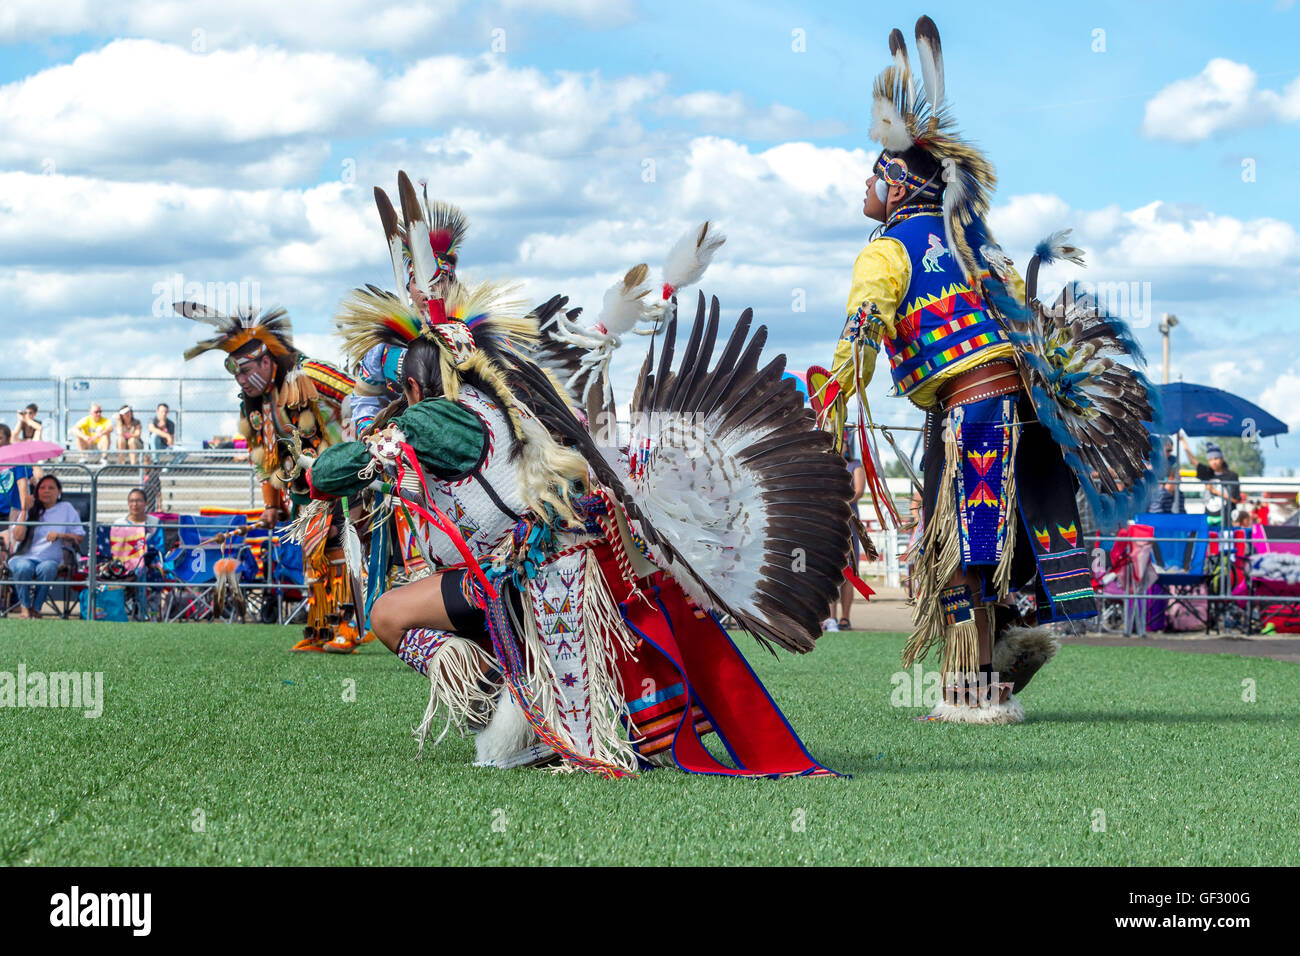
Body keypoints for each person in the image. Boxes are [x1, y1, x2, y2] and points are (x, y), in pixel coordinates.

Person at [296, 170, 851, 776]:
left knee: (389, 614)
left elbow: (332, 470)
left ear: (413, 385)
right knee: (436, 604)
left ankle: (517, 707)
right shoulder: (494, 394)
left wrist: (351, 443)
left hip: (531, 576)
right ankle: (524, 703)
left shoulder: (438, 422)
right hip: (534, 569)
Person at [816, 17, 1160, 723]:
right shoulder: (974, 242)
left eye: (874, 173)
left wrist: (818, 403)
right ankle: (1008, 651)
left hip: (973, 413)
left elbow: (857, 345)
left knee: (964, 546)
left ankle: (970, 692)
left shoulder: (885, 253)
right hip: (1023, 410)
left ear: (900, 184)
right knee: (1000, 537)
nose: (864, 185)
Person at [175, 298, 358, 651]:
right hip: (304, 487)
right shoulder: (254, 403)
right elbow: (262, 458)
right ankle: (320, 628)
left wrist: (354, 442)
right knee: (312, 552)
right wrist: (271, 503)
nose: (242, 380)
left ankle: (347, 625)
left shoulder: (308, 373)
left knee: (333, 542)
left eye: (246, 371)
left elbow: (358, 397)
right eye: (236, 375)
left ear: (266, 359)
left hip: (343, 475)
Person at [8, 474, 84, 618]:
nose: (46, 491)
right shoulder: (30, 508)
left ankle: (36, 608)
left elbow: (79, 537)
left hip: (50, 559)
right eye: (42, 488)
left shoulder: (66, 508)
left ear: (59, 492)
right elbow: (17, 536)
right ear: (37, 491)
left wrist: (61, 535)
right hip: (23, 556)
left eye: (51, 488)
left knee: (47, 568)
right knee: (23, 567)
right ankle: (24, 607)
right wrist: (24, 510)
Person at [112, 487, 160, 620]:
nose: (135, 504)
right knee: (137, 569)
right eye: (132, 501)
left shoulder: (155, 523)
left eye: (139, 501)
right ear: (128, 504)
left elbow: (159, 546)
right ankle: (136, 612)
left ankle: (147, 613)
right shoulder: (119, 523)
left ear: (146, 503)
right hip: (124, 564)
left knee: (143, 569)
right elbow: (115, 550)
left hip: (150, 563)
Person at [837, 438, 867, 629]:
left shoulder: (855, 466)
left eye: (843, 441)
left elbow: (859, 490)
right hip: (828, 520)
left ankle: (845, 617)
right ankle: (828, 616)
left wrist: (841, 502)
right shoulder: (823, 465)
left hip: (848, 521)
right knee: (828, 569)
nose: (840, 444)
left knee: (848, 570)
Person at [1181, 437, 1242, 526]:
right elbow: (1192, 461)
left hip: (1225, 517)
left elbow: (1235, 499)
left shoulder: (1232, 476)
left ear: (1222, 459)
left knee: (1224, 538)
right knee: (1207, 538)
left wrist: (1215, 491)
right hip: (1208, 516)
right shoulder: (1207, 473)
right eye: (1210, 459)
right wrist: (1183, 441)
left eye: (1216, 458)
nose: (1214, 462)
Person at [0, 424, 34, 559]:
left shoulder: (17, 458)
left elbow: (22, 485)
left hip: (12, 512)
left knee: (6, 546)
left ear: (8, 440)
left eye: (0, 438)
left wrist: (23, 512)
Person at [1148, 437, 1185, 514]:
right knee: (1160, 495)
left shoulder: (1173, 459)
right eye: (1168, 450)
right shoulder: (1151, 459)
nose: (1169, 453)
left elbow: (1176, 475)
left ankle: (1179, 518)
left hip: (1169, 488)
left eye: (1170, 450)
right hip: (1155, 490)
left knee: (1179, 496)